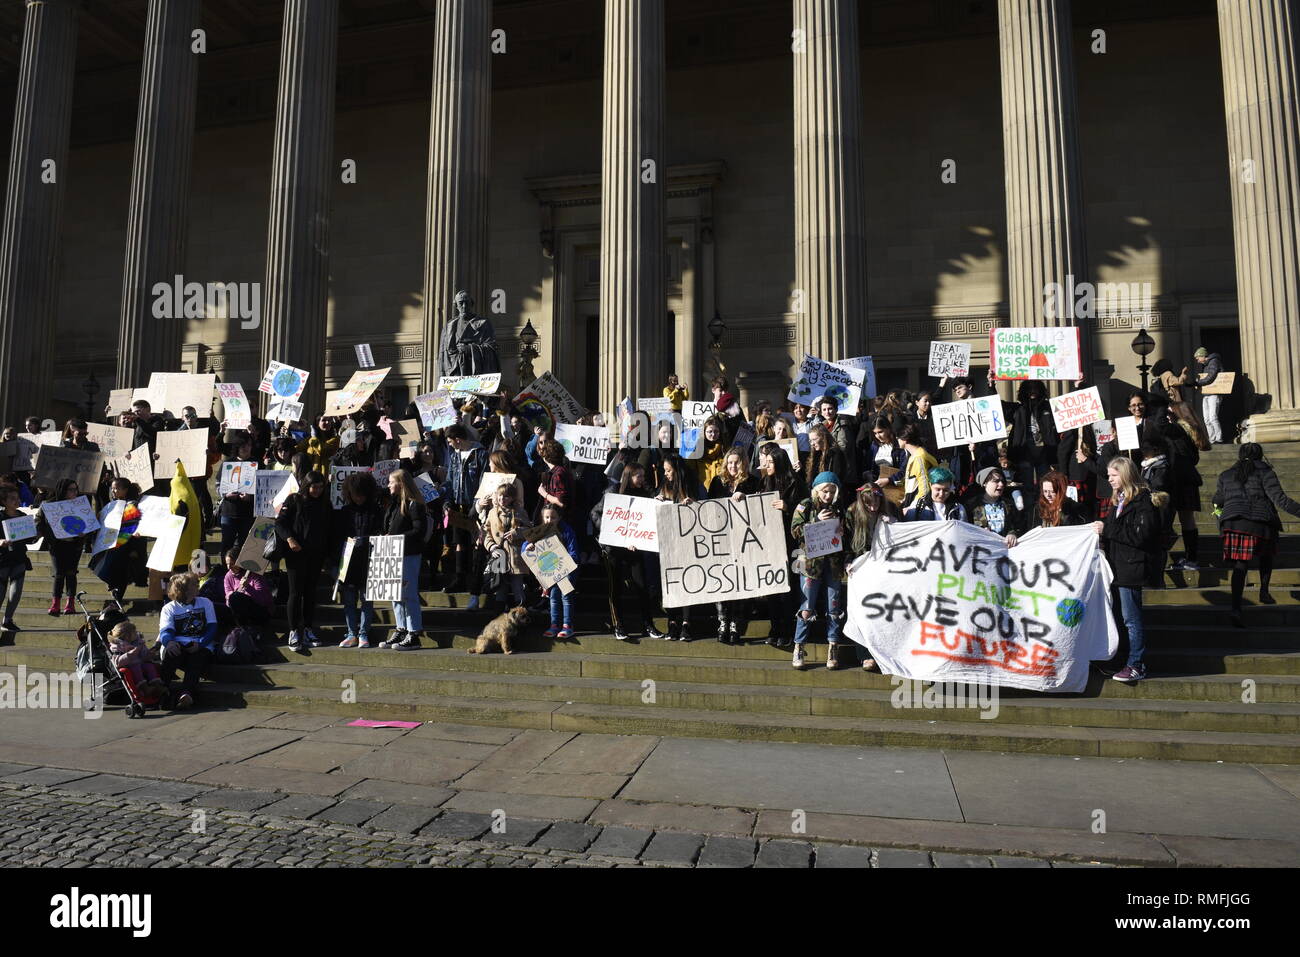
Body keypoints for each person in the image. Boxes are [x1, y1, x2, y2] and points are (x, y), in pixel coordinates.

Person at [1212, 443, 1300, 628]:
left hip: (1233, 522)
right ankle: (1264, 591)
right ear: (1260, 456)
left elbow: (1217, 499)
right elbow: (1280, 499)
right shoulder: (1265, 472)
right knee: (1266, 555)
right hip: (1260, 521)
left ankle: (1236, 608)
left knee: (1240, 564)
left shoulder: (1226, 474)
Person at [1093, 457, 1164, 683]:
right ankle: (1122, 659)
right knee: (1120, 618)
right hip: (1118, 567)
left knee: (1131, 619)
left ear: (1124, 474)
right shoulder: (1119, 501)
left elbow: (1141, 536)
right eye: (1109, 475)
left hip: (1132, 568)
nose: (1109, 479)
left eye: (1113, 475)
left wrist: (1107, 530)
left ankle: (1136, 663)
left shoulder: (1144, 501)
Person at [596, 463, 666, 642]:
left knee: (642, 587)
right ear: (629, 476)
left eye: (643, 476)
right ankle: (618, 625)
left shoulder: (643, 493)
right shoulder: (613, 491)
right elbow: (595, 514)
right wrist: (614, 535)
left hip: (635, 549)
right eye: (639, 476)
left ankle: (648, 624)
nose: (642, 479)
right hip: (614, 550)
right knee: (616, 589)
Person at [789, 471, 848, 670]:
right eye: (824, 491)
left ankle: (833, 646)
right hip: (810, 565)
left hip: (833, 563)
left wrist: (842, 530)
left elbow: (847, 532)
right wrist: (816, 521)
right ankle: (799, 646)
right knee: (807, 606)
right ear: (817, 490)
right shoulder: (806, 505)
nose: (828, 496)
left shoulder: (839, 508)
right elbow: (795, 530)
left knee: (834, 607)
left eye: (832, 492)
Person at [844, 483, 901, 669]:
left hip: (886, 567)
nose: (873, 507)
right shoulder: (852, 512)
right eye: (868, 504)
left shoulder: (891, 508)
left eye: (876, 502)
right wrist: (847, 561)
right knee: (863, 610)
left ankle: (885, 654)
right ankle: (864, 654)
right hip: (861, 565)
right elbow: (845, 538)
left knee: (884, 610)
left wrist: (893, 522)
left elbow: (905, 535)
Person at [757, 441, 807, 648]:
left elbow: (805, 510)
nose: (766, 465)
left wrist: (788, 507)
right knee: (772, 588)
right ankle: (774, 627)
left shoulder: (795, 483)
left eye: (770, 462)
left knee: (787, 588)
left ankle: (787, 629)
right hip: (769, 543)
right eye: (765, 461)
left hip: (789, 543)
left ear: (778, 462)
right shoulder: (765, 483)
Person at [275, 470, 331, 651]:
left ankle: (307, 629)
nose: (317, 491)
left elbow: (330, 526)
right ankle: (293, 631)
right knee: (295, 593)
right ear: (307, 486)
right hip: (296, 554)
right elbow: (280, 523)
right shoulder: (293, 500)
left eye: (321, 487)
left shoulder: (324, 503)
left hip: (316, 554)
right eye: (314, 487)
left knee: (310, 593)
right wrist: (290, 539)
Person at [707, 449, 759, 644]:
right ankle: (722, 621)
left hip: (743, 539)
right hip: (720, 539)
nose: (733, 466)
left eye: (736, 462)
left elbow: (758, 506)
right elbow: (708, 507)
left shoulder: (751, 481)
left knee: (738, 580)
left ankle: (736, 622)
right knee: (721, 579)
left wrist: (745, 497)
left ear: (744, 463)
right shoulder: (717, 482)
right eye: (730, 463)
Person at [377, 469, 429, 651]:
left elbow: (418, 530)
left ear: (401, 483)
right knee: (395, 594)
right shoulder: (393, 504)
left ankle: (413, 633)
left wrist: (396, 538)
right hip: (392, 554)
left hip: (409, 554)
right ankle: (401, 629)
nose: (388, 485)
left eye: (391, 482)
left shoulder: (414, 504)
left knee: (408, 593)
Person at [334, 470, 384, 648]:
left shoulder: (376, 510)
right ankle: (351, 633)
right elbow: (338, 535)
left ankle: (363, 633)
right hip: (348, 561)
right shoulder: (345, 511)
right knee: (349, 599)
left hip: (369, 559)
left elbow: (381, 532)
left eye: (362, 495)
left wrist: (368, 539)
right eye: (355, 495)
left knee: (366, 599)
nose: (359, 498)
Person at [156, 571, 218, 709]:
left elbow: (212, 627)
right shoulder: (169, 608)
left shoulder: (205, 602)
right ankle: (162, 689)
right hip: (178, 643)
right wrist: (169, 642)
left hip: (200, 644)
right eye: (194, 585)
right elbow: (166, 630)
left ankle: (187, 693)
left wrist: (200, 644)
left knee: (197, 659)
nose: (197, 586)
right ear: (184, 589)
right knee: (172, 653)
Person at [441, 423, 488, 595]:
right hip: (457, 505)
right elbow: (449, 480)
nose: (450, 445)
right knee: (459, 542)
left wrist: (476, 506)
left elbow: (484, 482)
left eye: (451, 442)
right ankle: (460, 579)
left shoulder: (480, 454)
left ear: (458, 440)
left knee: (478, 543)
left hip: (475, 505)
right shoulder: (454, 456)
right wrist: (447, 502)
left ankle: (477, 581)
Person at [652, 457, 696, 641]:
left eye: (668, 470)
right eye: (664, 470)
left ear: (677, 470)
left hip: (686, 542)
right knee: (670, 582)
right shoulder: (663, 487)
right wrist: (656, 500)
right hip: (667, 543)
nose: (665, 473)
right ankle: (672, 621)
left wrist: (692, 504)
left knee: (686, 581)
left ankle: (686, 622)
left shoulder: (691, 485)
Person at [1166, 401, 1209, 571]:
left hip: (1177, 480)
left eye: (1170, 413)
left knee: (1170, 520)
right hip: (1187, 479)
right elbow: (1194, 458)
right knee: (1187, 519)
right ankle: (1191, 558)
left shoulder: (1178, 430)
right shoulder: (1190, 430)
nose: (1167, 416)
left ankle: (1190, 558)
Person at [527, 501, 580, 640]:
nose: (549, 520)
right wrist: (528, 547)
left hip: (566, 570)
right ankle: (554, 625)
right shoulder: (539, 531)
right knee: (554, 598)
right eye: (547, 517)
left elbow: (574, 552)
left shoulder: (566, 531)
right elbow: (526, 545)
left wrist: (568, 565)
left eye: (553, 517)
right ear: (542, 518)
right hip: (550, 571)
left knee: (566, 597)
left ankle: (568, 625)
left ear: (559, 518)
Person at [36, 478, 89, 616]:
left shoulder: (79, 505)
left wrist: (85, 532)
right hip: (56, 545)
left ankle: (70, 604)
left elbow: (88, 523)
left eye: (76, 489)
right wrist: (44, 532)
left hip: (74, 544)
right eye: (71, 489)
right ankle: (55, 604)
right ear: (63, 490)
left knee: (71, 573)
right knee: (59, 573)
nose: (74, 492)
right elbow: (38, 521)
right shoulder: (48, 505)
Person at [89, 477, 146, 603]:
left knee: (122, 573)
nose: (113, 491)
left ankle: (117, 599)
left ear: (125, 490)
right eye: (112, 488)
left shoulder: (132, 505)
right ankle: (115, 594)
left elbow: (132, 527)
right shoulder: (112, 505)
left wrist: (133, 547)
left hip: (126, 545)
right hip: (112, 545)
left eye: (117, 488)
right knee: (111, 570)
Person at [483, 483, 532, 609]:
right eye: (500, 496)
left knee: (518, 588)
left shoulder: (520, 512)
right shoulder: (493, 513)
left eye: (506, 497)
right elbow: (486, 533)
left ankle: (521, 616)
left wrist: (517, 533)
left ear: (512, 498)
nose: (502, 499)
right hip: (500, 556)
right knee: (500, 589)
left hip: (516, 557)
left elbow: (529, 530)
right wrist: (491, 546)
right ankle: (499, 617)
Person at [0, 485, 34, 631]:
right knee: (0, 593)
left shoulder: (22, 517)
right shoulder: (0, 517)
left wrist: (35, 534)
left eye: (17, 498)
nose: (16, 501)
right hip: (2, 559)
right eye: (12, 498)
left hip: (19, 557)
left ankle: (8, 620)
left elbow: (30, 539)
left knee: (16, 591)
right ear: (4, 501)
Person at [1008, 381, 1059, 480]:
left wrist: (1078, 386)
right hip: (1024, 453)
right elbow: (996, 405)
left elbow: (1071, 408)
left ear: (1041, 390)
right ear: (1024, 391)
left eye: (1035, 388)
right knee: (1027, 485)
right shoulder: (1017, 409)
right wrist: (991, 387)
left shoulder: (1049, 407)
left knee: (1045, 484)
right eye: (1029, 389)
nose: (1033, 391)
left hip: (1045, 453)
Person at [218, 434, 257, 555]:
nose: (246, 448)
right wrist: (225, 494)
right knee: (227, 544)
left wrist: (251, 497)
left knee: (245, 545)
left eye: (248, 445)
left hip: (248, 513)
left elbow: (262, 488)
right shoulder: (228, 463)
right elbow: (218, 484)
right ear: (237, 446)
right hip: (229, 512)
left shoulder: (257, 463)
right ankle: (226, 572)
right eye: (243, 445)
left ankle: (243, 573)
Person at [107, 620, 166, 700]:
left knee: (149, 666)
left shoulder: (138, 642)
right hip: (127, 666)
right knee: (136, 667)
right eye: (134, 632)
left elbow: (143, 656)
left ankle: (156, 684)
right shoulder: (118, 646)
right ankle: (144, 687)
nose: (137, 633)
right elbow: (117, 662)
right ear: (127, 636)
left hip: (140, 662)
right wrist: (130, 654)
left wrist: (149, 655)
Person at [968, 467, 1025, 546]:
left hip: (1005, 549)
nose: (1001, 484)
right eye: (996, 481)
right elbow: (965, 529)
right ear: (985, 483)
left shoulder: (1009, 504)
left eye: (1002, 481)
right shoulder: (972, 505)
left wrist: (1012, 534)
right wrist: (979, 532)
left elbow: (1017, 526)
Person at [223, 549, 273, 630]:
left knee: (235, 597)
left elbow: (263, 600)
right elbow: (228, 600)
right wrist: (234, 595)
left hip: (259, 612)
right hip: (239, 612)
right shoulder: (228, 576)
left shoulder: (254, 573)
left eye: (232, 564)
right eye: (227, 564)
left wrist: (248, 587)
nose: (229, 567)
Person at [897, 423, 938, 510]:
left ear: (905, 439)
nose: (897, 440)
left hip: (919, 506)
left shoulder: (919, 457)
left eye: (898, 438)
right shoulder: (915, 455)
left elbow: (924, 485)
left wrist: (915, 506)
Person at [1193, 347, 1225, 444]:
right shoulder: (1207, 365)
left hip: (1214, 394)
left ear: (1203, 356)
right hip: (1207, 394)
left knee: (1212, 417)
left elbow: (1211, 376)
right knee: (1206, 419)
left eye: (1198, 358)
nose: (1197, 361)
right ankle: (1212, 439)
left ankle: (1218, 438)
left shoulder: (1214, 362)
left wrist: (1199, 383)